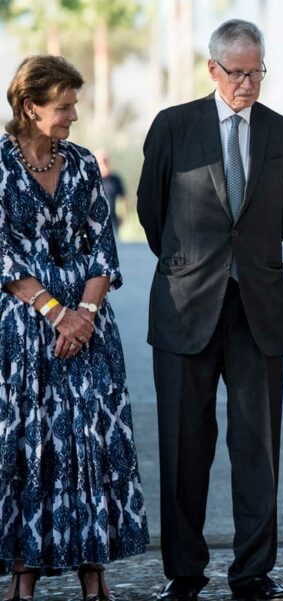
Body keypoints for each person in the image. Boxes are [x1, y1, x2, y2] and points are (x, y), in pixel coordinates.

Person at [136, 19, 283, 601]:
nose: (248, 83)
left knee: (258, 447)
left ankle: (252, 574)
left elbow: (282, 218)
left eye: (257, 72)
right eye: (237, 72)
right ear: (213, 69)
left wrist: (243, 264)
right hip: (186, 307)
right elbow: (152, 213)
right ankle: (184, 575)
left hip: (259, 309)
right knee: (185, 447)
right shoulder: (173, 126)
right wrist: (193, 265)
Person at [0, 55, 148, 601]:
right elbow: (2, 255)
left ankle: (94, 572)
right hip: (25, 330)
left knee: (92, 445)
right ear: (30, 106)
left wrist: (83, 314)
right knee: (29, 446)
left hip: (89, 330)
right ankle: (23, 573)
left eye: (74, 105)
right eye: (63, 107)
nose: (73, 116)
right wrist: (56, 312)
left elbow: (104, 248)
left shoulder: (85, 164)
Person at [97, 150, 125, 236]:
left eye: (106, 161)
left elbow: (123, 199)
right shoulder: (92, 179)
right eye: (102, 161)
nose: (104, 164)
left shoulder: (115, 180)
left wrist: (122, 216)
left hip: (112, 221)